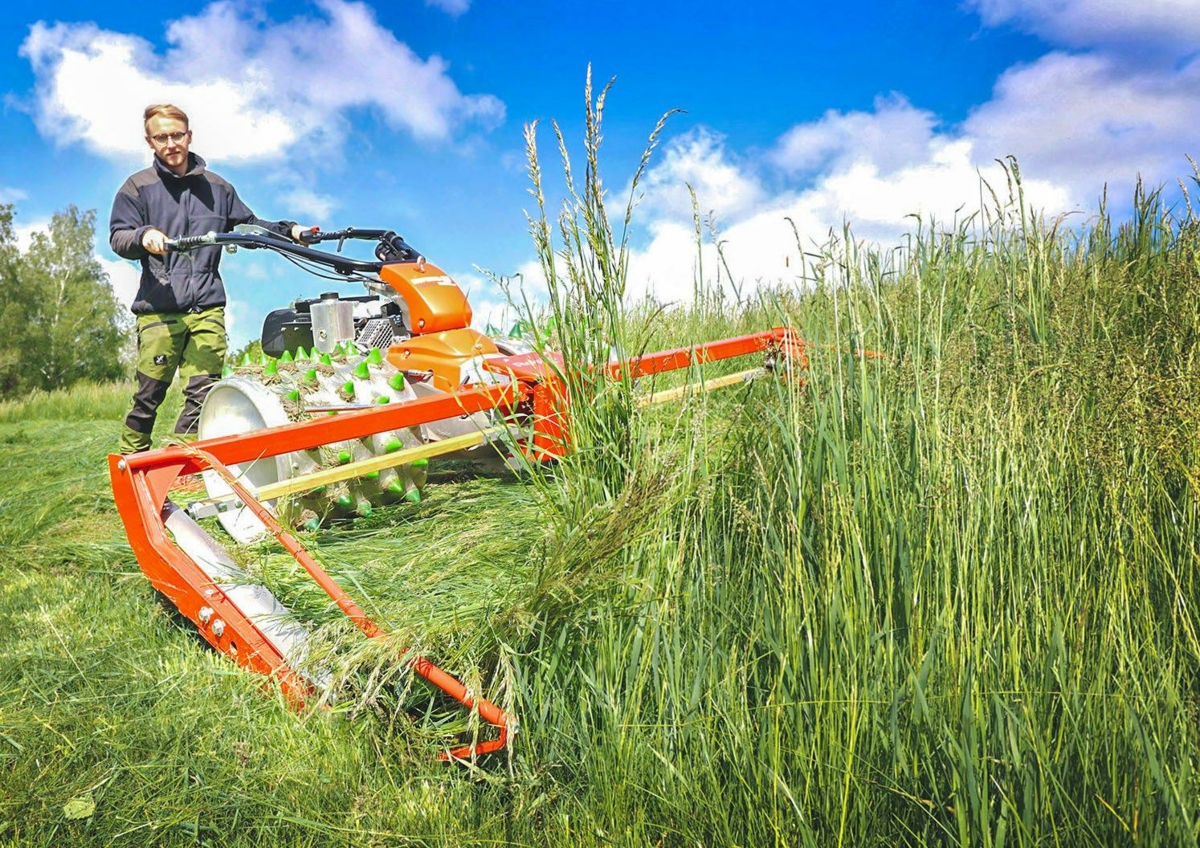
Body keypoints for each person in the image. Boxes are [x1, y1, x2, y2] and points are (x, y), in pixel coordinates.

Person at [110, 103, 312, 454]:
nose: (171, 144)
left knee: (203, 392)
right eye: (162, 137)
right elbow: (119, 237)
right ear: (150, 141)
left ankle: (183, 461)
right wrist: (143, 236)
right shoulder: (137, 188)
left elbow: (250, 226)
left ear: (189, 136)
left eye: (177, 135)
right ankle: (132, 459)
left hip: (207, 306)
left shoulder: (218, 188)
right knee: (149, 394)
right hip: (159, 307)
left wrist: (290, 230)